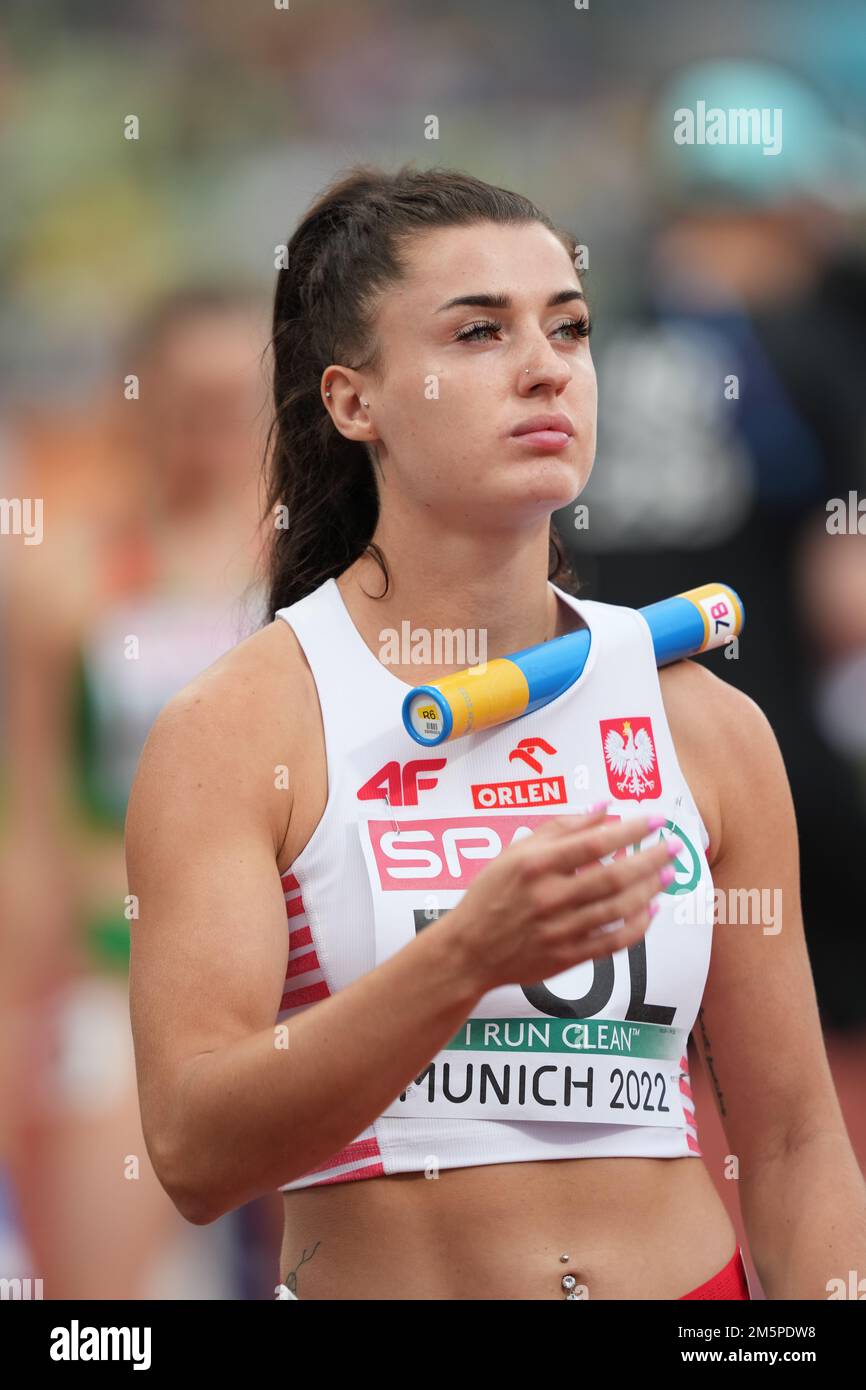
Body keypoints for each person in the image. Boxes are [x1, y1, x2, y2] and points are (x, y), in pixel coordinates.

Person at [126, 164, 866, 1301]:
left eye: (567, 328)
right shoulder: (240, 725)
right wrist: (465, 955)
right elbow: (191, 1149)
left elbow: (792, 1145)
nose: (544, 367)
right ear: (350, 401)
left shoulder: (702, 724)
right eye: (477, 332)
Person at [1, 285, 271, 1298]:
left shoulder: (335, 575)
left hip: (299, 975)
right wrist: (33, 997)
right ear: (138, 397)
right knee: (97, 1289)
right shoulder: (69, 578)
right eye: (187, 393)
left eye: (236, 392)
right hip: (121, 975)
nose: (212, 418)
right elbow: (32, 815)